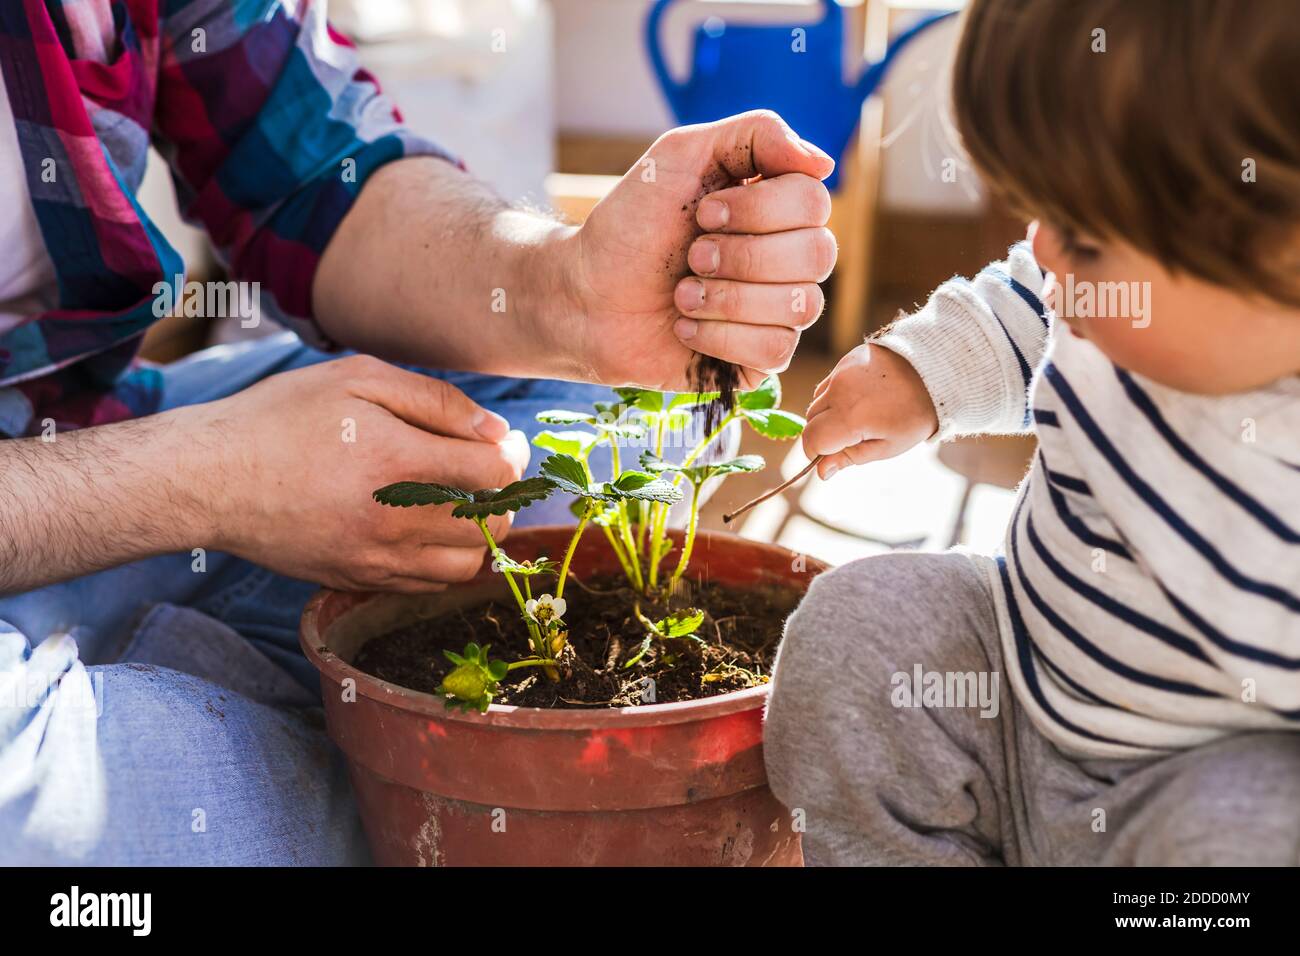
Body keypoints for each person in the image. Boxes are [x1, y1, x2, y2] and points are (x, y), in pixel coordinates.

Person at [0, 0, 835, 864]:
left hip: (74, 433)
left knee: (647, 405)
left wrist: (566, 289)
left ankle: (212, 734)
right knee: (32, 821)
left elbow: (314, 175)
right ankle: (392, 786)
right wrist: (216, 481)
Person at [765, 0, 1300, 865]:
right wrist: (924, 373)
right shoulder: (1092, 295)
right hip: (1011, 688)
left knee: (1252, 832)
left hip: (1198, 798)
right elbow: (1023, 307)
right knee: (857, 636)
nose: (1043, 250)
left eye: (1082, 236)